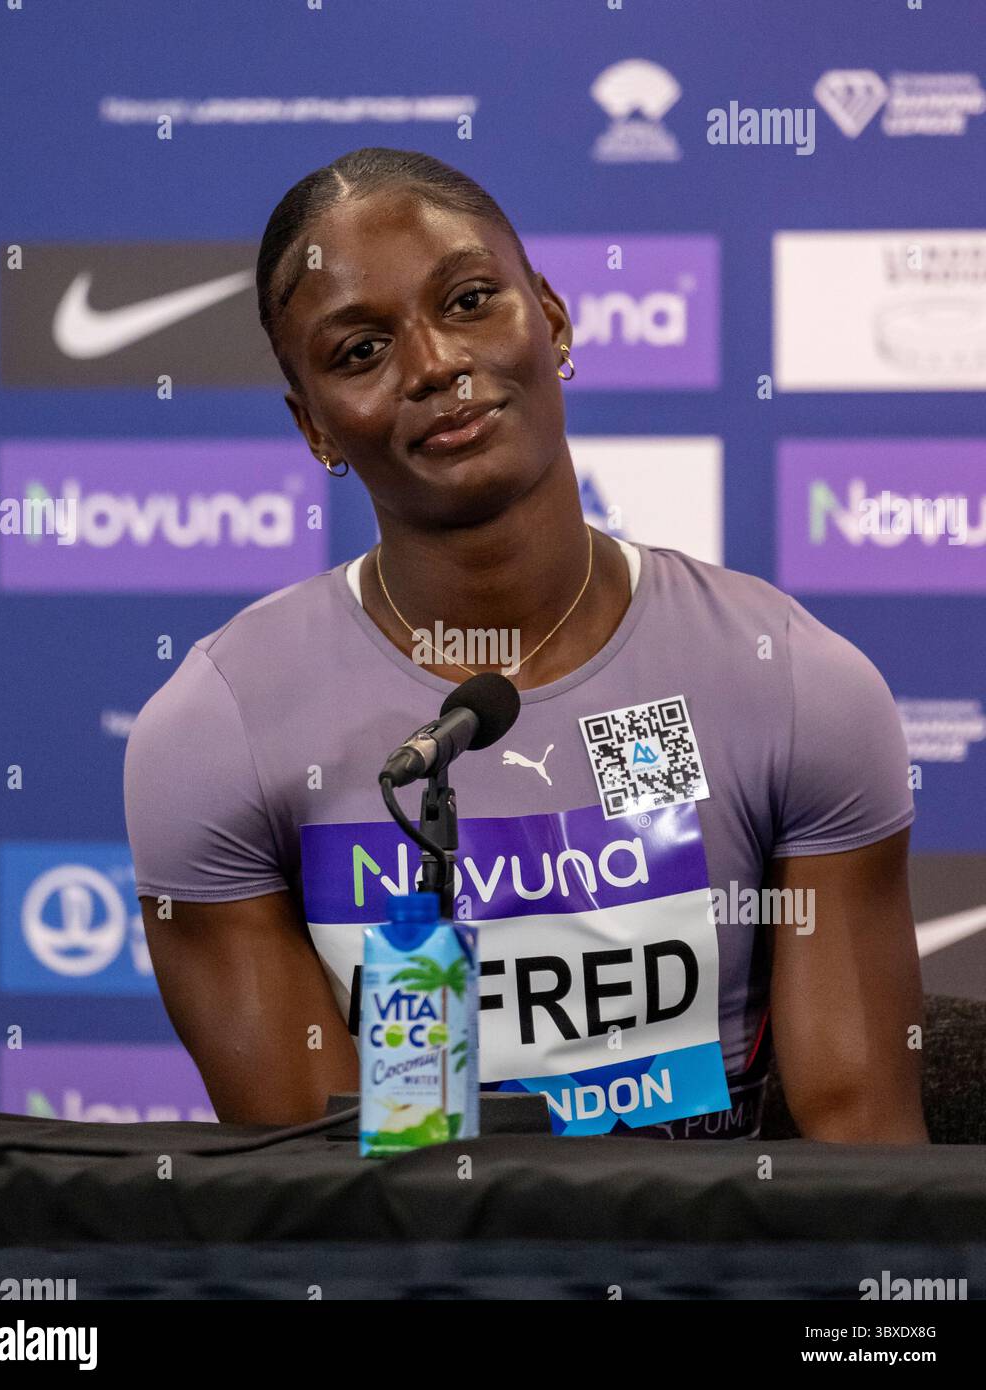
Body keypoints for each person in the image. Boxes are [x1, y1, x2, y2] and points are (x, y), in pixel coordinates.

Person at [123, 147, 928, 1142]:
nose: (432, 366)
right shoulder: (215, 731)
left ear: (549, 317)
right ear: (314, 430)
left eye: (466, 301)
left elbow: (858, 1163)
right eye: (360, 351)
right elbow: (324, 1192)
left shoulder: (794, 680)